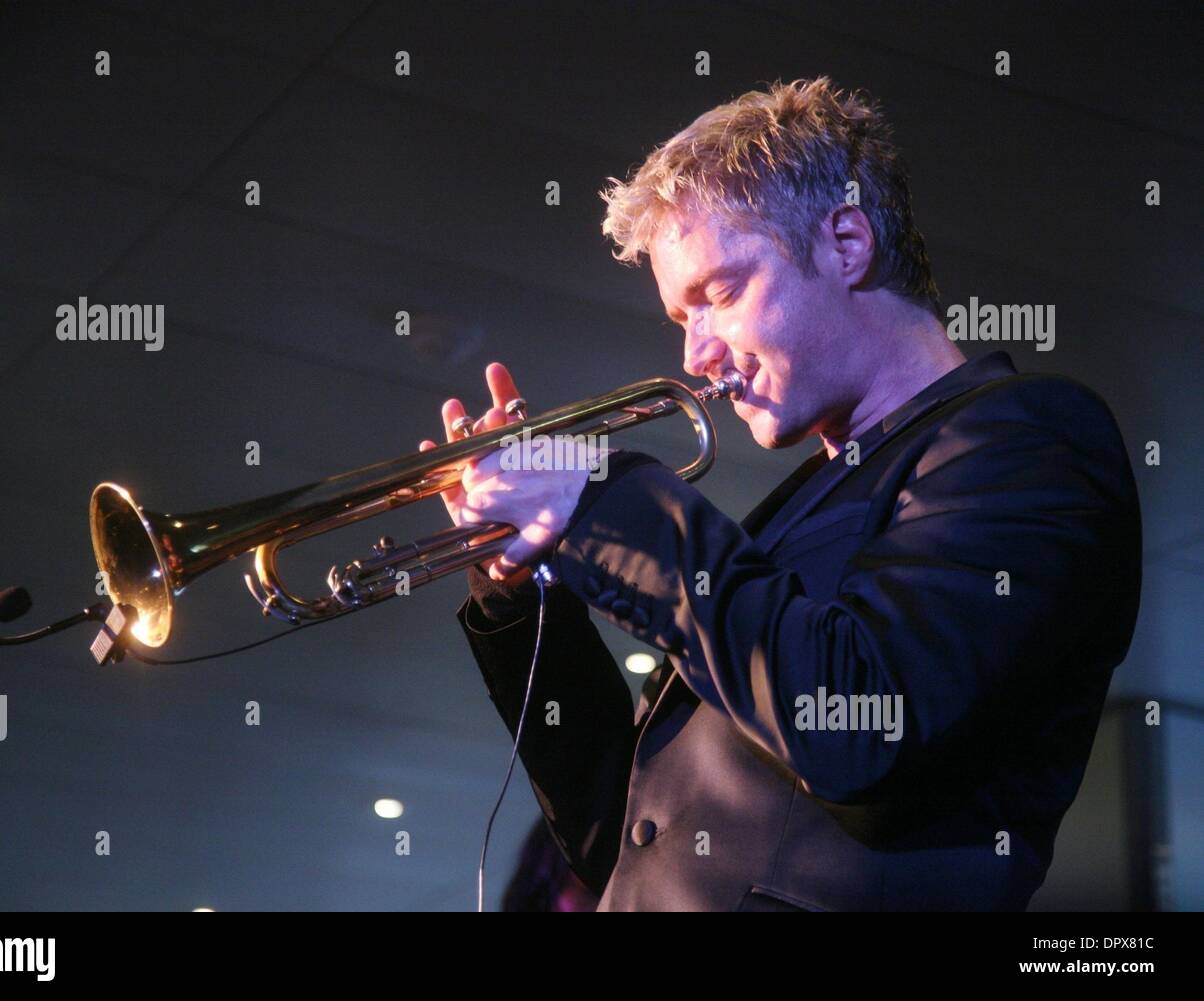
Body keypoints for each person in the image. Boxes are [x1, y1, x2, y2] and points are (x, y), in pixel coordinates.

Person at [419, 77, 1141, 911]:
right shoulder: (800, 507)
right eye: (677, 317)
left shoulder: (1031, 439)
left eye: (717, 295)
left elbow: (866, 727)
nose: (697, 355)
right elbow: (621, 840)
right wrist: (517, 586)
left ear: (845, 241)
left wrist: (607, 502)